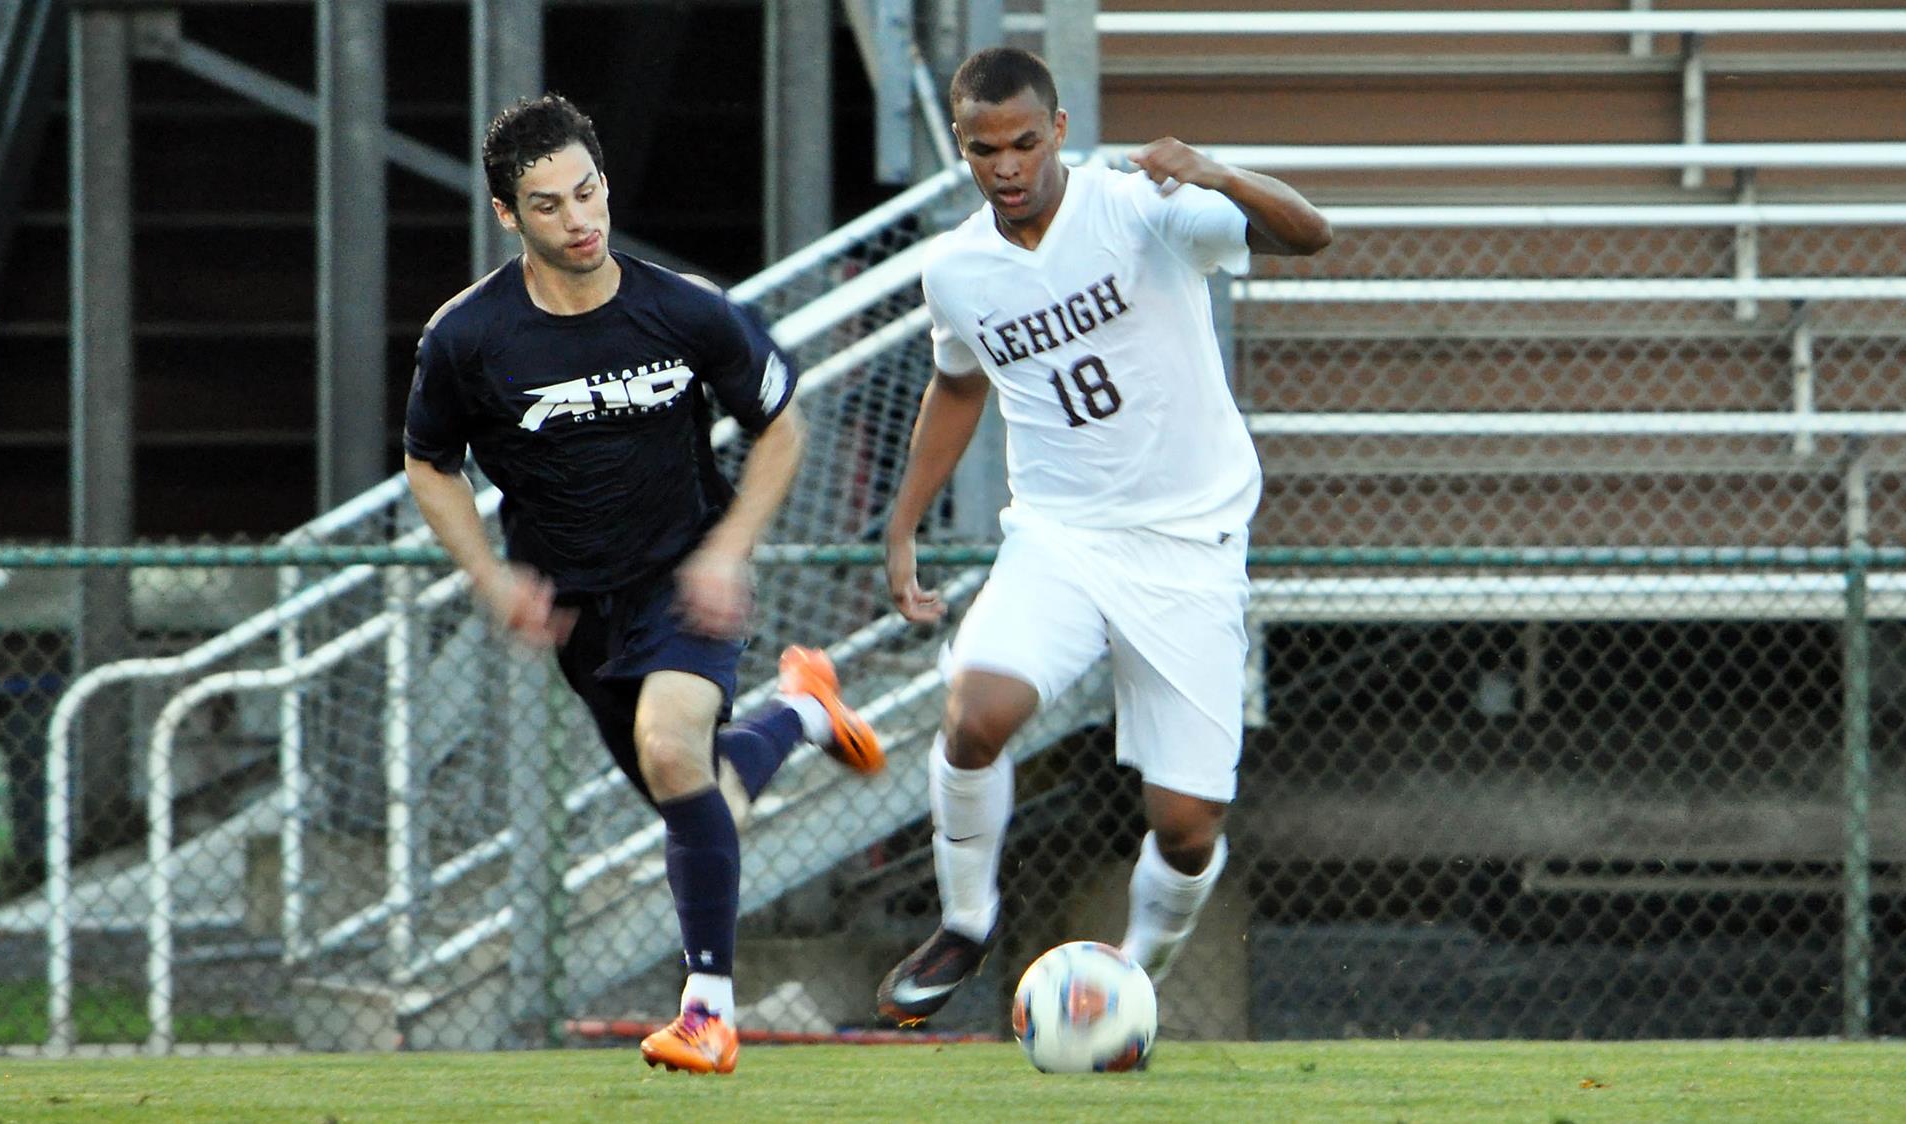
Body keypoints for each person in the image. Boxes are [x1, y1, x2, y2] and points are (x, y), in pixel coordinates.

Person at [403, 94, 883, 1075]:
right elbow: (428, 463)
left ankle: (708, 1009)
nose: (578, 219)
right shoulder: (466, 337)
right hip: (578, 614)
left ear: (605, 185)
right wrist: (489, 576)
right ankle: (799, 713)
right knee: (698, 791)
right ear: (507, 215)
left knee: (672, 751)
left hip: (681, 585)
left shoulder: (684, 308)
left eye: (588, 193)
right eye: (548, 205)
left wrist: (727, 549)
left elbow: (781, 424)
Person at [875, 47, 1332, 1026]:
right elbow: (958, 385)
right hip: (1059, 538)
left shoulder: (1140, 207)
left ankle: (1129, 971)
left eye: (1022, 142)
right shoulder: (954, 268)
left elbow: (1309, 234)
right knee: (974, 711)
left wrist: (1217, 173)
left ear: (1058, 133)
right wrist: (902, 522)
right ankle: (965, 917)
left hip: (1187, 546)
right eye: (981, 148)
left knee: (1185, 823)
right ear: (961, 148)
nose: (1004, 165)